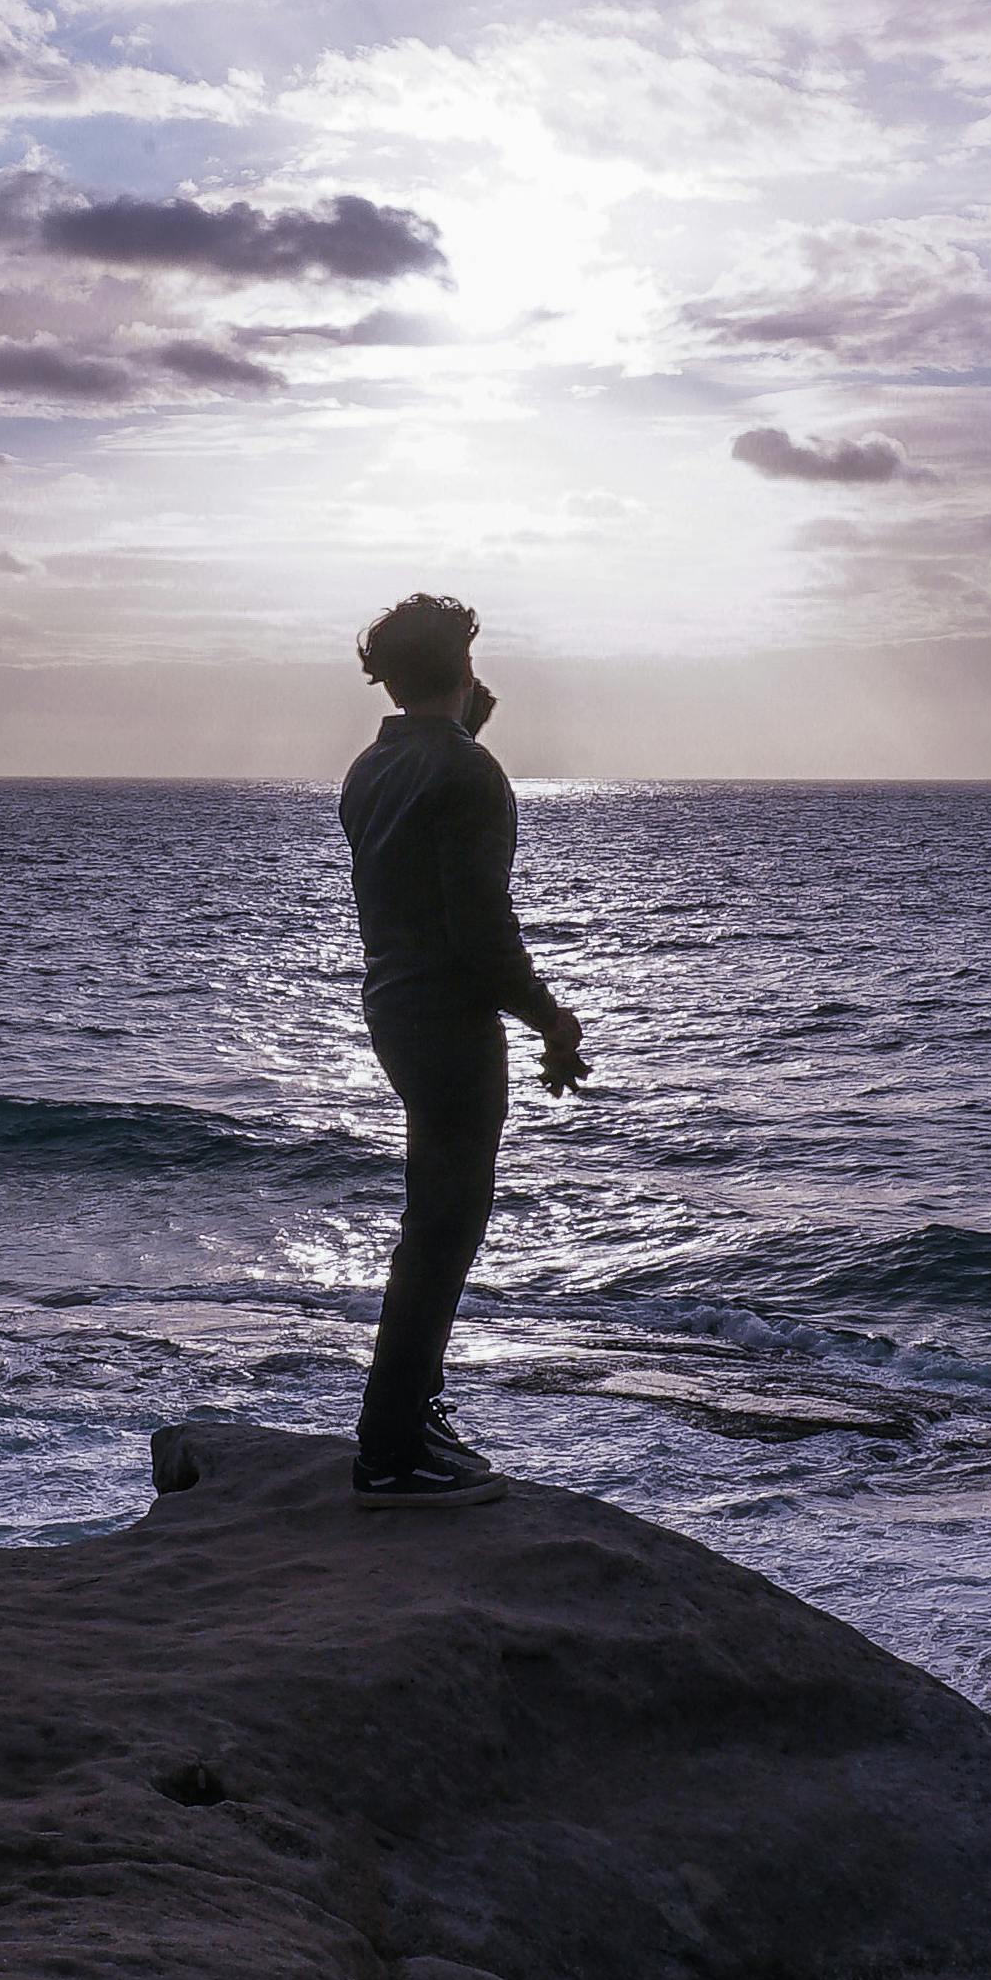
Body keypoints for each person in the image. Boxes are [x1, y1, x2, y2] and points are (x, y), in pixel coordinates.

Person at [338, 591, 586, 1507]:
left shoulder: (373, 766)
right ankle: (392, 1448)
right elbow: (480, 926)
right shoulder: (471, 777)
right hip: (450, 1020)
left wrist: (460, 729)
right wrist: (549, 1017)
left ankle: (414, 1414)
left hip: (392, 1009)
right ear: (465, 669)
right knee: (444, 1232)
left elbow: (422, 837)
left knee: (432, 1222)